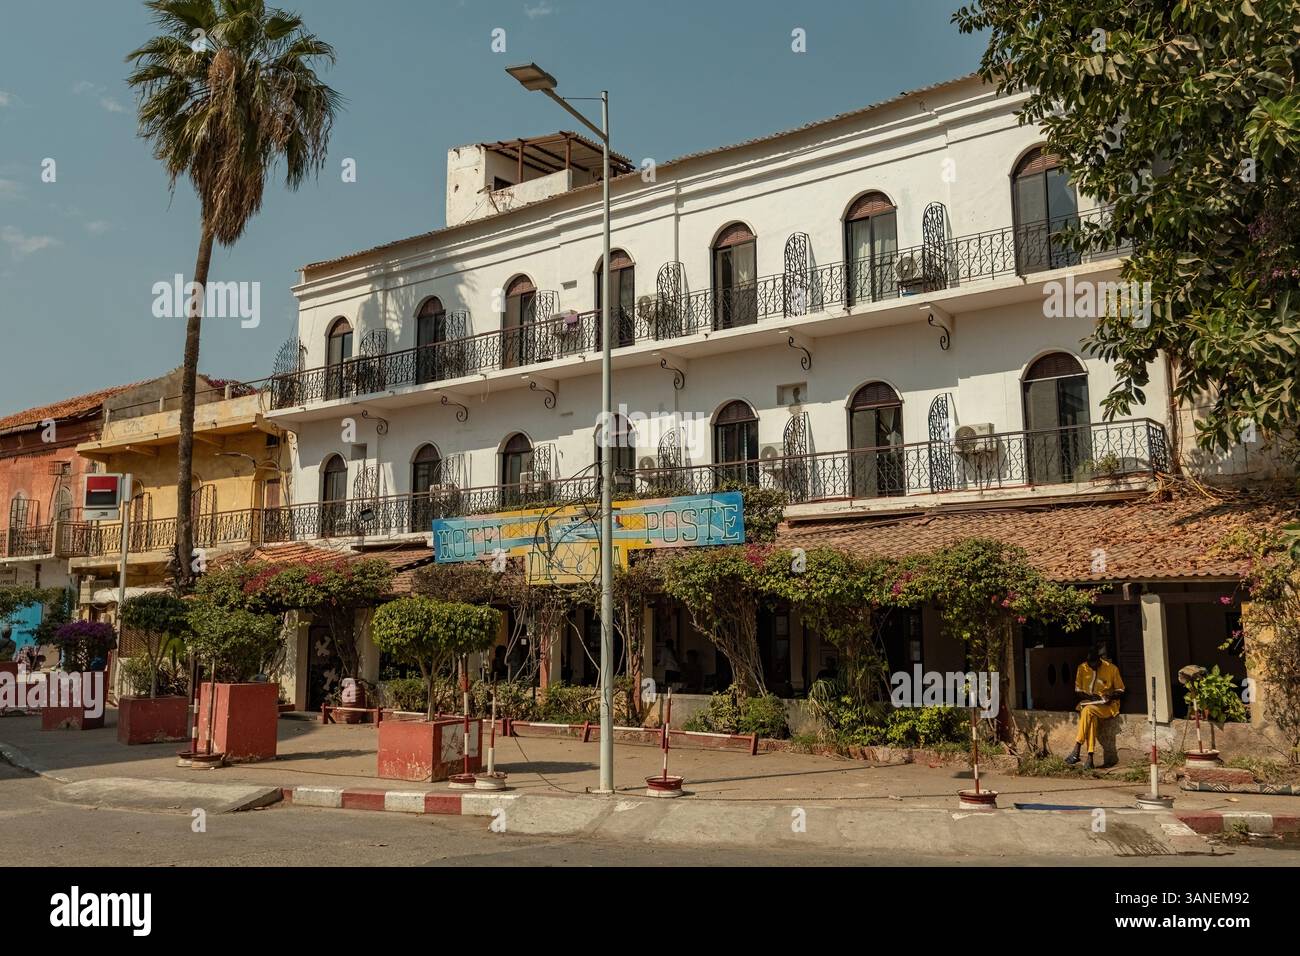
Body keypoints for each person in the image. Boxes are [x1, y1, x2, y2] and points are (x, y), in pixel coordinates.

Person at [1066, 640, 1125, 769]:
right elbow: (1078, 691)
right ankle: (1090, 757)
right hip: (1088, 704)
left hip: (1107, 706)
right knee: (1090, 717)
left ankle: (1077, 748)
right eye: (1090, 663)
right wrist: (1089, 696)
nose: (1092, 666)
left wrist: (1110, 696)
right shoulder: (1082, 668)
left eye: (1095, 663)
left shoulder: (1111, 668)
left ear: (1100, 660)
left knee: (1088, 711)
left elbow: (1121, 689)